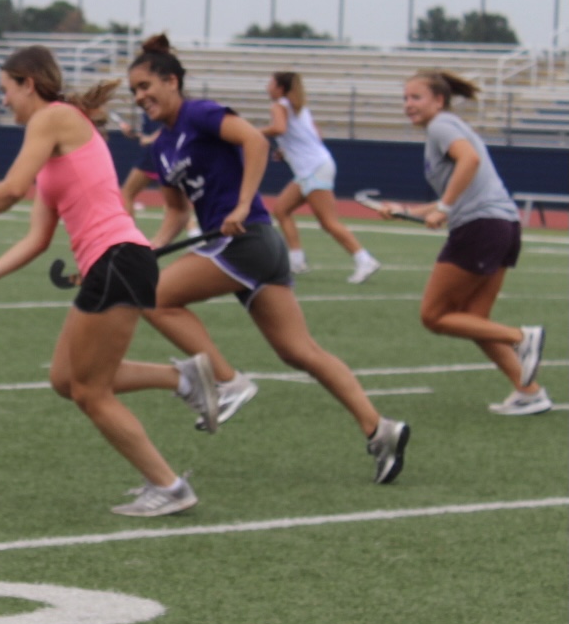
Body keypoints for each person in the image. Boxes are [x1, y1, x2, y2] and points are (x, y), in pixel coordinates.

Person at [0, 44, 222, 518]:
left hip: (118, 259)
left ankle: (170, 486)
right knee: (65, 378)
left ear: (28, 84)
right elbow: (37, 239)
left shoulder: (52, 118)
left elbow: (11, 188)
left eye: (6, 90)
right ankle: (182, 378)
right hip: (112, 264)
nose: (4, 100)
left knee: (90, 392)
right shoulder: (52, 147)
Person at [127, 34, 410, 484]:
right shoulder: (161, 147)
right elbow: (177, 213)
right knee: (299, 352)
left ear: (172, 82)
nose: (140, 97)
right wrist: (147, 249)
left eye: (146, 86)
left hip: (247, 241)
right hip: (244, 249)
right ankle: (380, 430)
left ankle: (227, 382)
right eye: (134, 91)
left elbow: (256, 142)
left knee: (153, 298)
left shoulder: (200, 114)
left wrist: (242, 205)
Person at [371, 70, 546, 415]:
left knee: (434, 316)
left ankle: (521, 337)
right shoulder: (447, 126)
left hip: (481, 228)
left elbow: (470, 160)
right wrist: (408, 211)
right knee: (475, 320)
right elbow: (460, 189)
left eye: (416, 97)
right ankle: (529, 393)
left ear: (439, 100)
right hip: (502, 226)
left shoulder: (441, 126)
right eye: (405, 98)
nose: (408, 104)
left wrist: (445, 209)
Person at [260, 71, 381, 283]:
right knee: (281, 210)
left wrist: (252, 132)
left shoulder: (279, 105)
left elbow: (279, 128)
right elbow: (315, 136)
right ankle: (297, 261)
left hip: (313, 168)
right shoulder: (299, 108)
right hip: (313, 167)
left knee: (328, 222)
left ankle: (364, 259)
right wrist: (287, 151)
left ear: (280, 88)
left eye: (270, 83)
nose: (267, 86)